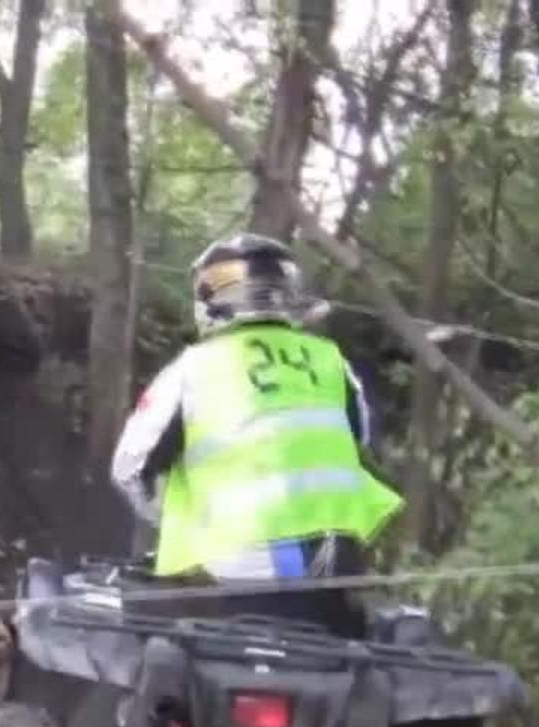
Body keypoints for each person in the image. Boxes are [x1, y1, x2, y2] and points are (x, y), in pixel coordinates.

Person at [109, 232, 401, 638]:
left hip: (232, 575)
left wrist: (178, 518)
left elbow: (130, 469)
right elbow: (359, 443)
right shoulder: (331, 362)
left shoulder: (192, 369)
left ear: (211, 299)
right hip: (333, 572)